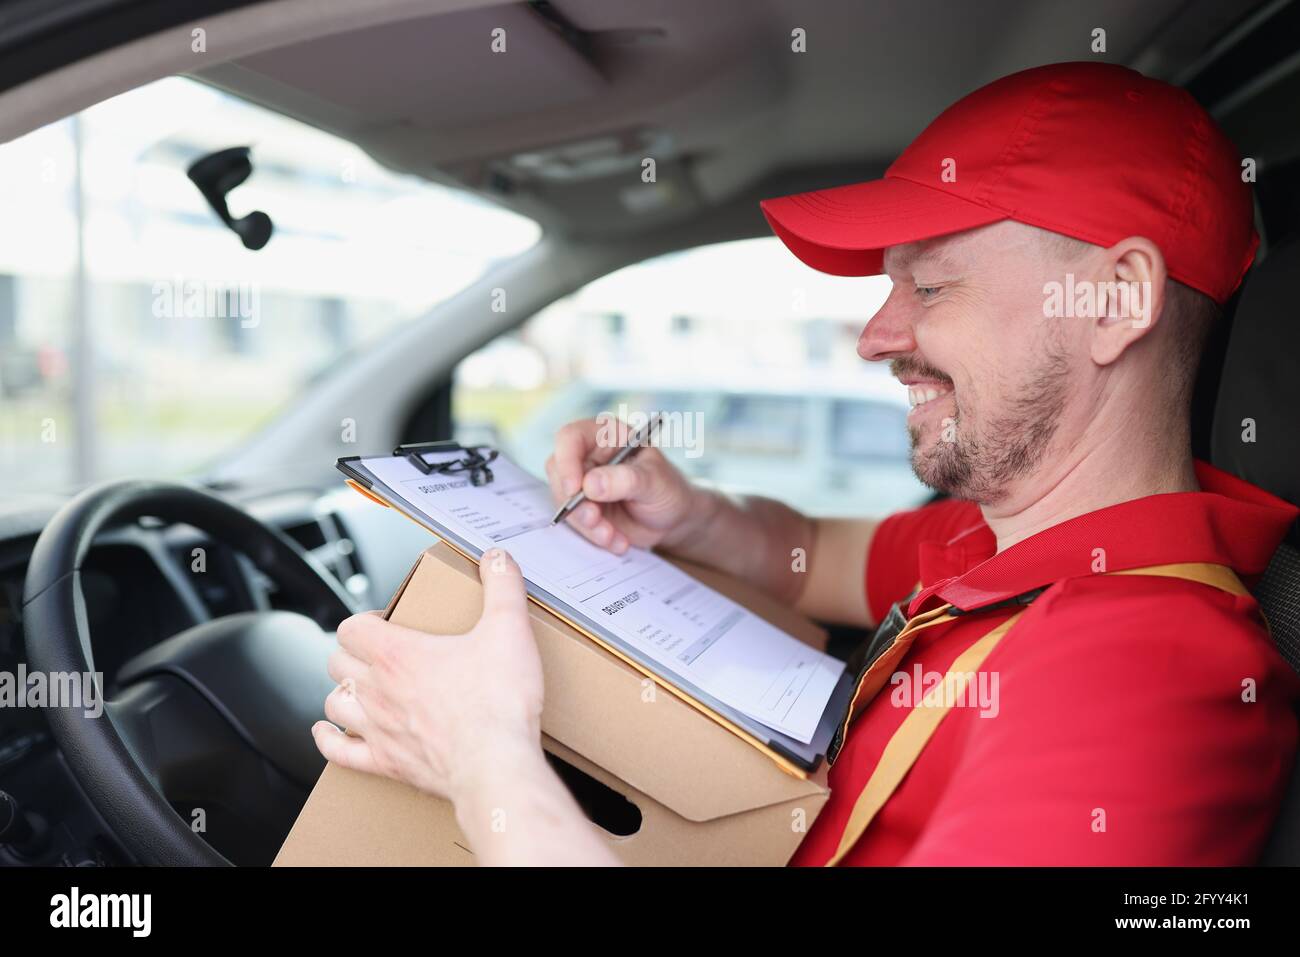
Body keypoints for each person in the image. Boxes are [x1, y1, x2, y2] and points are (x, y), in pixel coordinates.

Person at [312, 62, 1299, 866]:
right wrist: (690, 515)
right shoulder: (1016, 541)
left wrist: (484, 768)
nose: (876, 336)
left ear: (1114, 302)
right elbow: (812, 552)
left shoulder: (1139, 671)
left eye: (932, 284)